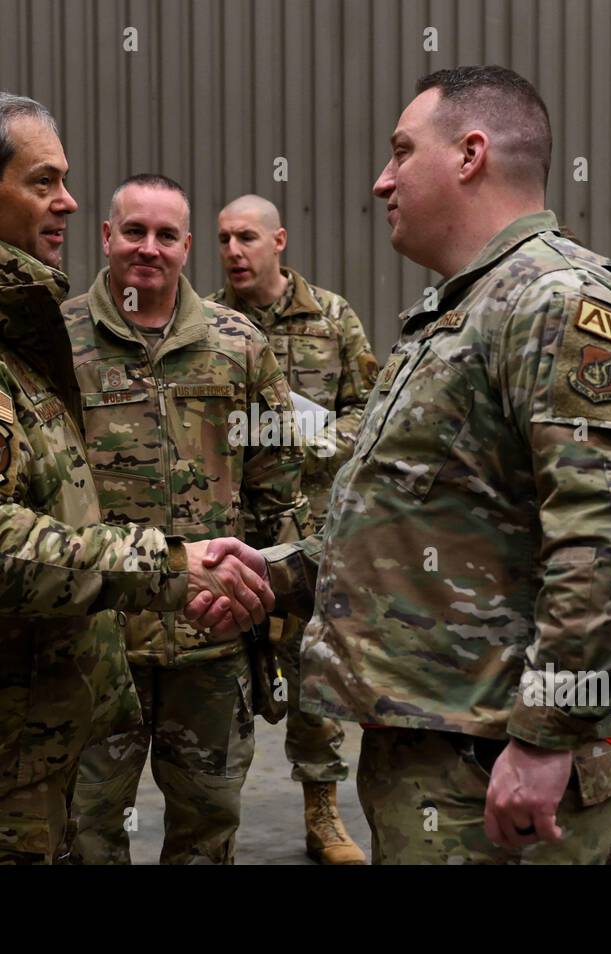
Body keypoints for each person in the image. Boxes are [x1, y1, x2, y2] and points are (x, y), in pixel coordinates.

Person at [193, 65, 611, 864]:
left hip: (495, 769)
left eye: (401, 151)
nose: (382, 180)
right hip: (437, 756)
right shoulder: (456, 313)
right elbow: (415, 518)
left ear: (470, 154)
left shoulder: (558, 300)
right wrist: (275, 573)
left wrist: (547, 737)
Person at [0, 91, 272, 865]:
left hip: (22, 749)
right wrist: (169, 564)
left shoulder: (2, 337)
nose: (66, 200)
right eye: (44, 181)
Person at [64, 174, 311, 865]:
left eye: (166, 235)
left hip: (212, 641)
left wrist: (270, 615)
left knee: (209, 829)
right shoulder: (58, 342)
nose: (149, 248)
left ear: (186, 246)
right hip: (95, 645)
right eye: (134, 231)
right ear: (106, 236)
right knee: (83, 833)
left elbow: (278, 492)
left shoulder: (237, 344)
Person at [209, 193, 377, 864]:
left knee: (314, 675)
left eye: (246, 237)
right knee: (221, 675)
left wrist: (319, 441)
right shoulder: (207, 321)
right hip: (231, 529)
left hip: (308, 532)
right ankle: (211, 815)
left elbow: (369, 407)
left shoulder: (332, 318)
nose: (233, 251)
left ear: (278, 241)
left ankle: (322, 814)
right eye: (223, 239)